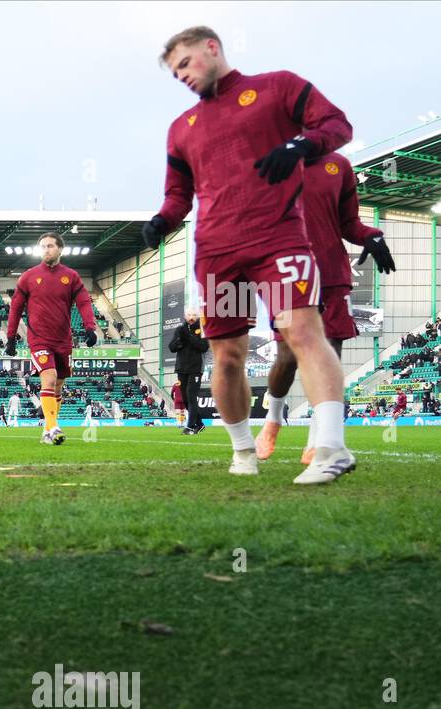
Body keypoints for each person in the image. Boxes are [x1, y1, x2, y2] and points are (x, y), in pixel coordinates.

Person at [145, 25, 353, 483]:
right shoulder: (182, 129)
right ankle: (243, 451)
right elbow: (178, 195)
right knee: (228, 357)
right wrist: (163, 219)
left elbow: (337, 124)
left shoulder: (276, 87)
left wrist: (300, 143)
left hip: (279, 240)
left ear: (211, 48)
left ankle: (332, 447)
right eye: (174, 72)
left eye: (184, 63)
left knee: (302, 331)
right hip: (218, 254)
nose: (181, 75)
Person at [256, 149, 395, 463]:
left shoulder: (339, 165)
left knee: (329, 355)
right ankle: (273, 419)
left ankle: (316, 440)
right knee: (288, 358)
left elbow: (349, 223)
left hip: (332, 273)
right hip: (287, 274)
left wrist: (370, 236)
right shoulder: (270, 162)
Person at [6, 232, 98, 445]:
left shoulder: (71, 276)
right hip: (39, 339)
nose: (46, 250)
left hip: (63, 340)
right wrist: (11, 337)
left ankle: (48, 431)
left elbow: (84, 301)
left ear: (60, 249)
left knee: (57, 387)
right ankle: (53, 427)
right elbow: (16, 308)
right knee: (49, 377)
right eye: (43, 247)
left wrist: (90, 327)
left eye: (50, 246)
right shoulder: (29, 276)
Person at [168, 312, 209, 433]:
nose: (191, 317)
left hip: (195, 368)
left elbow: (203, 347)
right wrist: (179, 341)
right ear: (185, 316)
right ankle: (200, 424)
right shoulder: (180, 329)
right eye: (189, 315)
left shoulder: (202, 329)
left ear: (197, 316)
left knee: (191, 396)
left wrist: (188, 336)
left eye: (194, 314)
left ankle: (190, 426)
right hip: (181, 368)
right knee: (185, 398)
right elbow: (172, 347)